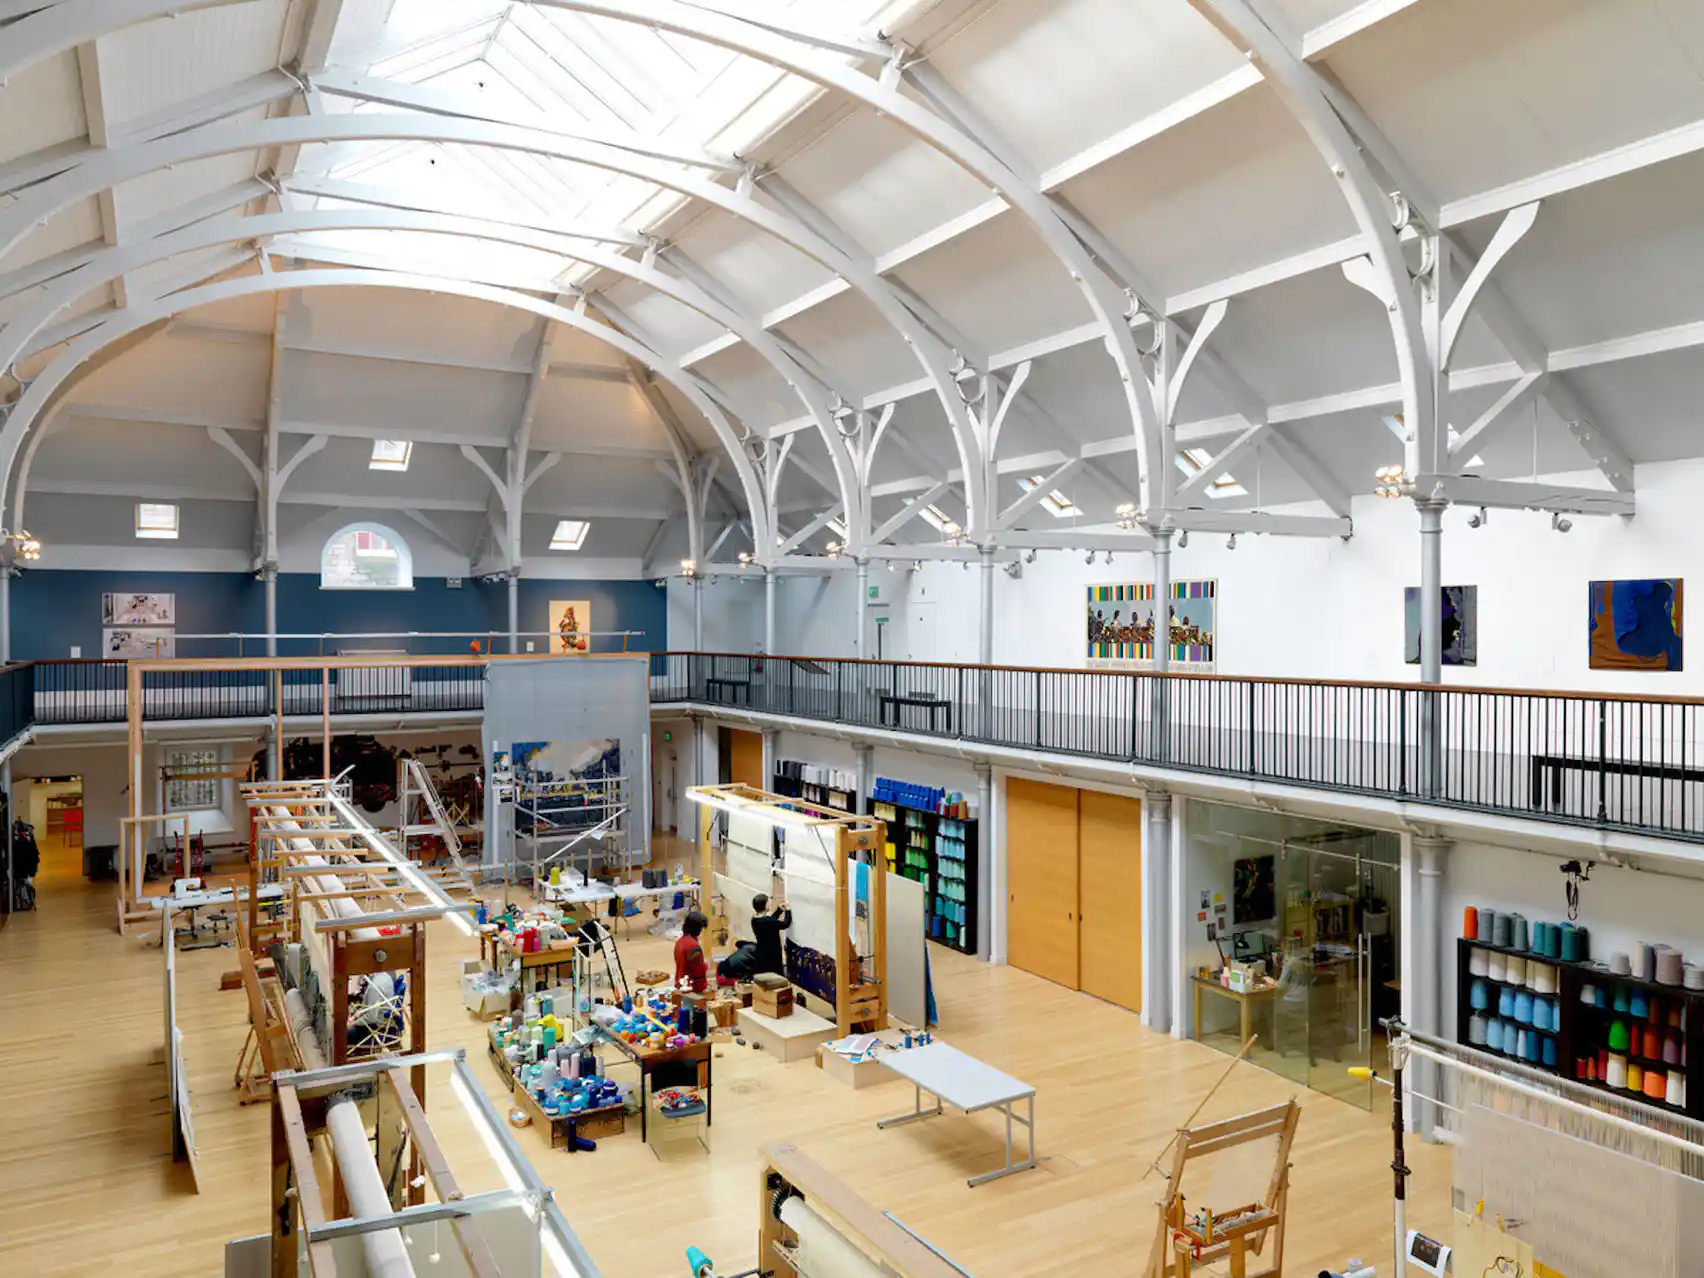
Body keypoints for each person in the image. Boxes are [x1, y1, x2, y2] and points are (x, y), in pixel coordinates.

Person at [718, 894, 793, 982]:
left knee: (765, 977)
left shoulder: (755, 919)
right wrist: (788, 910)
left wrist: (779, 910)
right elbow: (785, 924)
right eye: (768, 903)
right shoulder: (768, 921)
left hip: (762, 951)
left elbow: (771, 921)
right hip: (772, 953)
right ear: (765, 906)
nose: (769, 904)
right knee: (776, 977)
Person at [674, 909, 709, 994]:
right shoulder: (693, 946)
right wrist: (706, 966)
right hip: (692, 989)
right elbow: (698, 970)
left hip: (681, 984)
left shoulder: (679, 942)